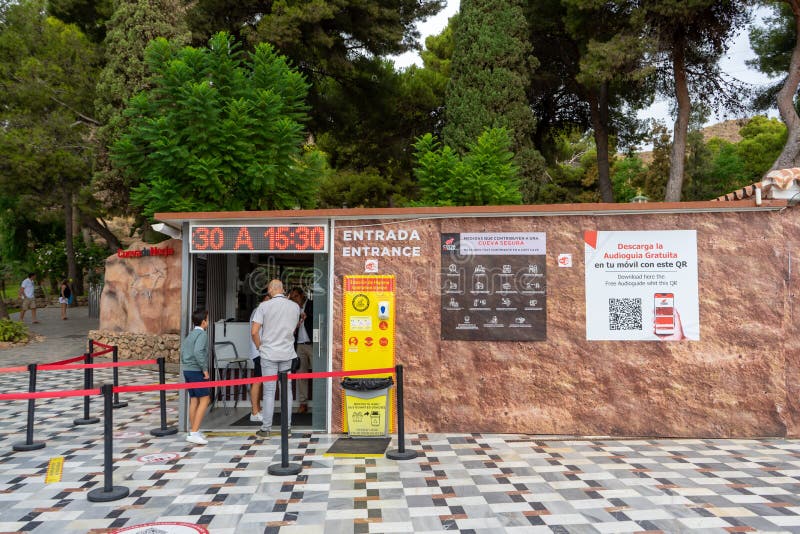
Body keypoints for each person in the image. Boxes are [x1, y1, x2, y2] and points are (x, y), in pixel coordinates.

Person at [251, 279, 301, 438]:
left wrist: (260, 347)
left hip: (268, 354)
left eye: (268, 289)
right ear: (283, 289)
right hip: (287, 353)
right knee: (287, 391)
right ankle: (287, 428)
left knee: (269, 391)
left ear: (272, 289)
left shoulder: (264, 306)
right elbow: (294, 327)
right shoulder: (295, 306)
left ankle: (266, 428)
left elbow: (254, 331)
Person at [181, 308, 211, 445]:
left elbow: (184, 351)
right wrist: (204, 370)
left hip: (187, 370)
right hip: (196, 370)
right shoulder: (202, 335)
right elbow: (198, 351)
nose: (208, 321)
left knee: (194, 400)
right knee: (205, 399)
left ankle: (194, 430)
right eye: (208, 319)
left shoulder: (191, 334)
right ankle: (194, 433)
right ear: (204, 322)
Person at [289, 287, 312, 414]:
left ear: (302, 295)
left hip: (313, 344)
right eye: (292, 297)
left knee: (320, 374)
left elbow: (320, 319)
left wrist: (306, 316)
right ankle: (303, 403)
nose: (295, 299)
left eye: (296, 296)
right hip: (299, 345)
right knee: (301, 374)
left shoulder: (312, 304)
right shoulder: (291, 309)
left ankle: (322, 402)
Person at [248, 292, 271, 423]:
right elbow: (255, 332)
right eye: (268, 299)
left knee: (260, 380)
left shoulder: (258, 311)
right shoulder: (259, 311)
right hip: (259, 352)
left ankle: (257, 409)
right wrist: (260, 348)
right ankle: (255, 412)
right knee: (258, 381)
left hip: (259, 351)